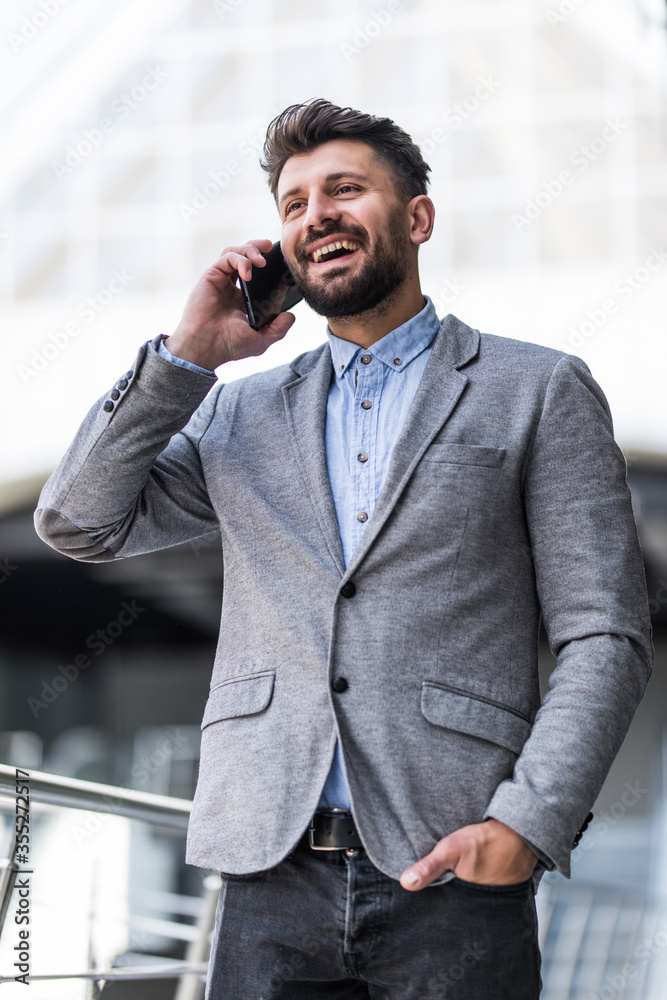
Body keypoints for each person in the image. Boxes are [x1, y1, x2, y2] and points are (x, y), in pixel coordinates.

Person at [35, 99, 652, 999]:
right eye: (293, 204)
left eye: (345, 189)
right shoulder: (237, 412)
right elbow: (78, 521)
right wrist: (187, 356)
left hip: (454, 869)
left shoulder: (537, 389)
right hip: (267, 874)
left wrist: (525, 823)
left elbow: (604, 634)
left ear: (417, 217)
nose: (315, 213)